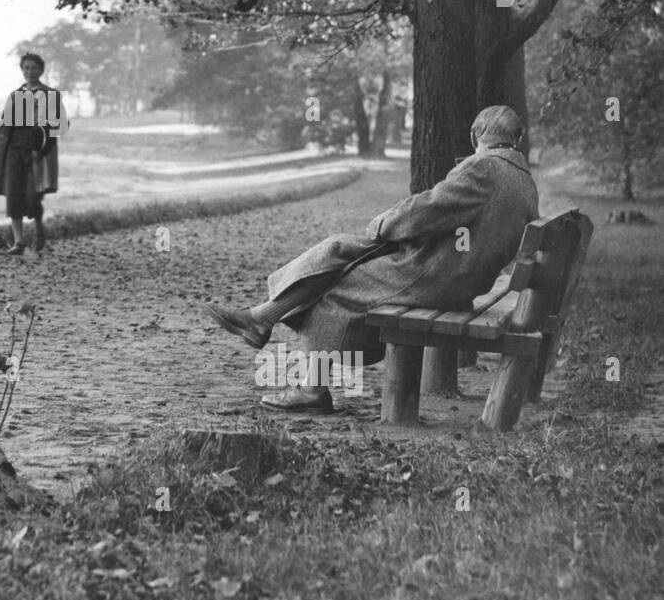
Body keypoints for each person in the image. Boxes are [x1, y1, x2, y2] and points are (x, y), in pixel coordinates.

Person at [205, 105, 539, 410]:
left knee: (336, 289)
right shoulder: (523, 181)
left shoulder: (483, 168)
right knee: (341, 248)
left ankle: (310, 388)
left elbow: (431, 208)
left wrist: (384, 223)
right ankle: (262, 316)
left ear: (475, 136)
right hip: (459, 275)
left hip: (437, 277)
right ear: (517, 138)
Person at [0, 53, 67, 255]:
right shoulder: (16, 95)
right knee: (13, 194)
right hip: (13, 150)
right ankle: (19, 242)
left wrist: (43, 145)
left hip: (37, 152)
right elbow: (4, 128)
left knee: (33, 195)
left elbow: (60, 126)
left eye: (34, 68)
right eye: (26, 68)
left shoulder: (50, 95)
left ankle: (39, 231)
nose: (30, 72)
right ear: (22, 70)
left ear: (41, 70)